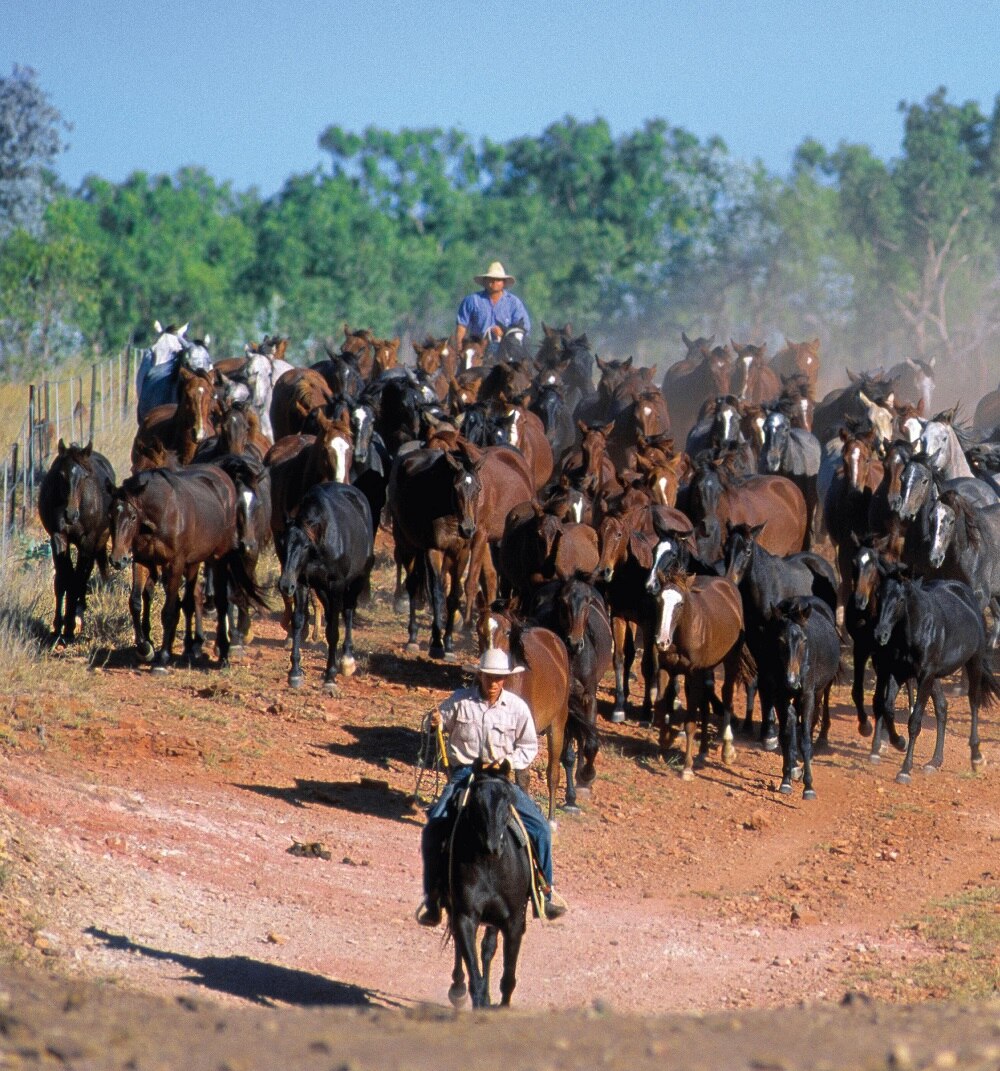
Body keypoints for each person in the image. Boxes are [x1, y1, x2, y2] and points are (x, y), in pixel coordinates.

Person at [416, 647, 568, 925]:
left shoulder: (518, 708)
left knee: (541, 829)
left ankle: (544, 894)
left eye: (499, 678)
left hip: (501, 779)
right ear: (480, 676)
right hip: (465, 776)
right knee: (434, 824)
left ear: (506, 679)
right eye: (489, 677)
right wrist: (433, 720)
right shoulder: (460, 702)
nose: (493, 683)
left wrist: (506, 762)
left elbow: (528, 747)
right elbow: (433, 722)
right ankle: (434, 898)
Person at [454, 261, 531, 355]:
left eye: (498, 279)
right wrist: (459, 344)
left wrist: (504, 334)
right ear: (485, 281)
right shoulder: (472, 300)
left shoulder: (514, 303)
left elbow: (522, 328)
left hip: (505, 349)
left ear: (503, 283)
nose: (494, 282)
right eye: (491, 279)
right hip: (478, 349)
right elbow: (462, 325)